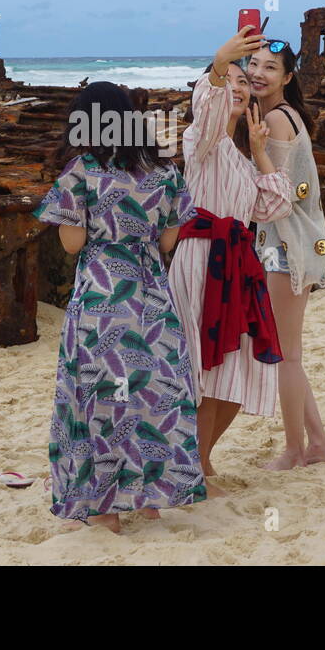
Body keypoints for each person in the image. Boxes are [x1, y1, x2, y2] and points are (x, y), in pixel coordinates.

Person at [34, 82, 206, 532]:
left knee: (100, 399)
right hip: (151, 298)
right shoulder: (166, 172)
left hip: (100, 297)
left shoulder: (80, 172)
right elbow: (170, 240)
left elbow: (71, 245)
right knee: (152, 396)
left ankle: (105, 510)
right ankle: (149, 499)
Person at [169, 27, 294, 483]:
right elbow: (206, 109)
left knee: (240, 373)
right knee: (207, 368)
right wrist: (221, 64)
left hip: (238, 266)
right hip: (202, 261)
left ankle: (199, 459)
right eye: (234, 81)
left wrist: (261, 152)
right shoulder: (199, 144)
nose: (241, 87)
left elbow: (275, 204)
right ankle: (195, 466)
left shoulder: (239, 159)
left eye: (247, 82)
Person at [246, 40, 325, 470]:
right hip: (295, 243)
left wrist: (257, 151)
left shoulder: (276, 119)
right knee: (291, 353)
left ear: (287, 78)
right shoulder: (286, 115)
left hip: (286, 245)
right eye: (253, 63)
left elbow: (278, 197)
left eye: (270, 67)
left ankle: (295, 450)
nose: (259, 72)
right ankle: (318, 444)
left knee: (286, 356)